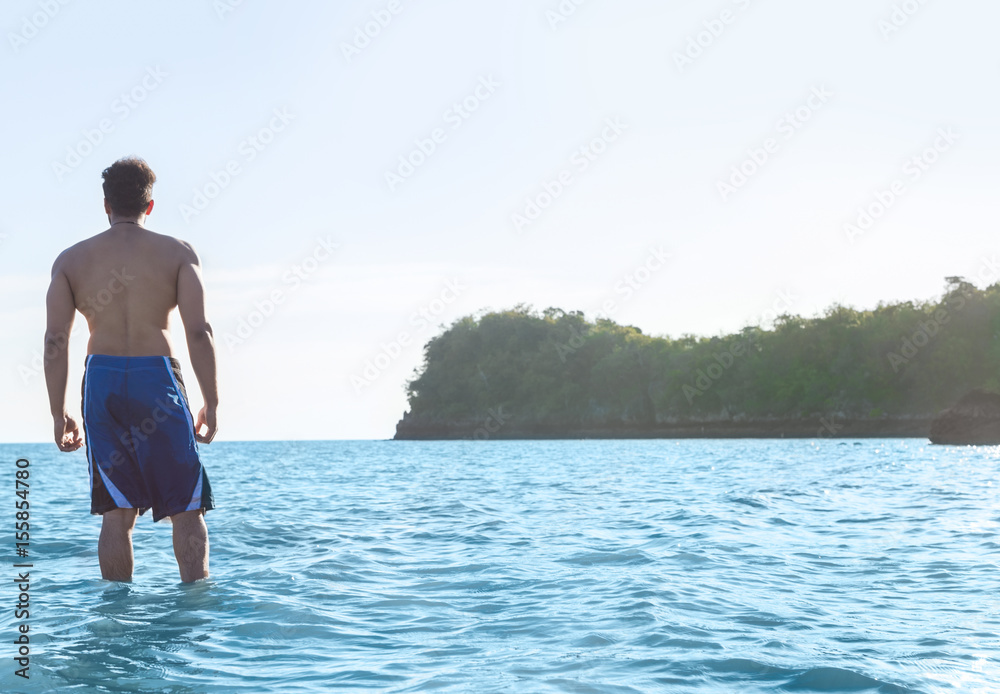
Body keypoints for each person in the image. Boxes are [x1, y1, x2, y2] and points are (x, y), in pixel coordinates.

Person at [43, 157, 218, 583]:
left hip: (101, 380)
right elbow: (199, 332)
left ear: (106, 205)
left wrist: (58, 411)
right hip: (156, 377)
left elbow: (55, 341)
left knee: (115, 512)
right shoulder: (177, 253)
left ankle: (115, 617)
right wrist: (212, 402)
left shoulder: (70, 260)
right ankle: (194, 607)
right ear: (150, 205)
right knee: (186, 506)